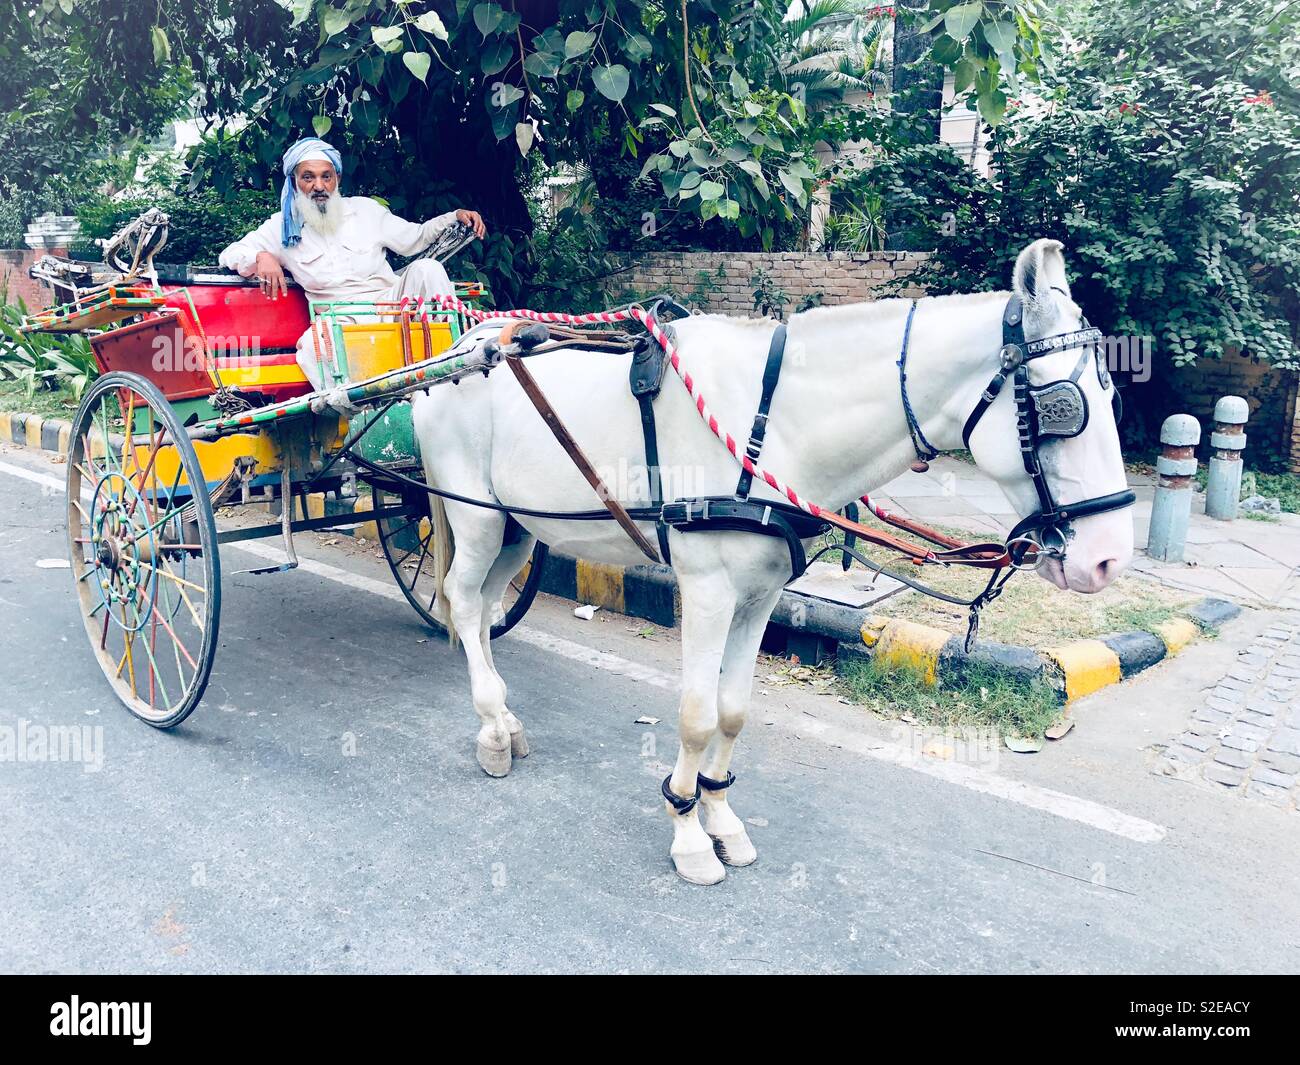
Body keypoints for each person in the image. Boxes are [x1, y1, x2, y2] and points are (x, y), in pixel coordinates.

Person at [218, 136, 487, 391]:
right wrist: (260, 257)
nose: (319, 186)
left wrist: (454, 216)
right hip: (341, 319)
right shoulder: (281, 227)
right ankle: (362, 417)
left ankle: (459, 368)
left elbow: (415, 238)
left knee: (428, 269)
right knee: (311, 349)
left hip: (390, 304)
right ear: (294, 182)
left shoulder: (366, 210)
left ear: (337, 179)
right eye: (308, 177)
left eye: (326, 176)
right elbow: (231, 253)